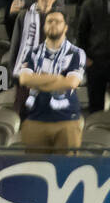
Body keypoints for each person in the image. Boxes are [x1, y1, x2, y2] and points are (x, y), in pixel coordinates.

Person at [17, 9, 86, 154]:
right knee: (34, 170)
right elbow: (24, 79)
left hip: (66, 120)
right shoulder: (32, 52)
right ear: (44, 26)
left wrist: (39, 80)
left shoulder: (76, 53)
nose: (53, 24)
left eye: (58, 21)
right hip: (36, 119)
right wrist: (56, 77)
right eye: (49, 21)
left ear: (66, 27)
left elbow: (71, 83)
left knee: (66, 170)